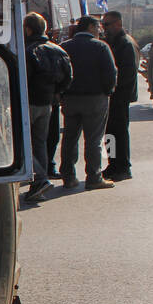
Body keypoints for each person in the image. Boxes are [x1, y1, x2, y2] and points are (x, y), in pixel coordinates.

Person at [59, 15, 117, 190]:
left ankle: (68, 177)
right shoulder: (100, 47)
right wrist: (108, 91)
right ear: (91, 27)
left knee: (69, 138)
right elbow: (110, 73)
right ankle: (94, 177)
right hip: (95, 99)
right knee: (93, 140)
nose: (99, 30)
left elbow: (59, 72)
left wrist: (62, 94)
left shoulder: (65, 47)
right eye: (98, 26)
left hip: (70, 99)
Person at [22, 12, 72, 203]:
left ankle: (40, 179)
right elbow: (68, 76)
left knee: (22, 144)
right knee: (40, 143)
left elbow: (24, 79)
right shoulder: (57, 50)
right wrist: (57, 94)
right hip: (48, 104)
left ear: (28, 29)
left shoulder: (29, 51)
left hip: (30, 103)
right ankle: (38, 185)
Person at [101, 10, 139, 181]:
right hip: (111, 95)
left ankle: (122, 167)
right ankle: (113, 164)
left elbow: (127, 73)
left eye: (107, 25)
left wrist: (114, 90)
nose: (104, 28)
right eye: (103, 25)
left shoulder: (125, 44)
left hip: (119, 96)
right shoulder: (113, 42)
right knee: (110, 133)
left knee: (119, 133)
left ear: (118, 24)